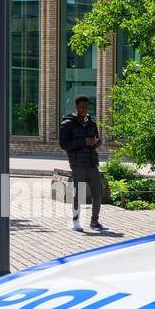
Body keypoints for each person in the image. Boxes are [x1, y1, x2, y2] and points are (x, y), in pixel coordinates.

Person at [58, 95, 106, 232]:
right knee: (77, 194)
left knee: (98, 193)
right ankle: (76, 222)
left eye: (86, 107)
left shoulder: (91, 123)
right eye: (82, 107)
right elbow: (63, 144)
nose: (84, 110)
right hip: (78, 164)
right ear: (76, 107)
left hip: (92, 163)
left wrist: (96, 142)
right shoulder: (67, 124)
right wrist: (84, 142)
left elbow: (98, 139)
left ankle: (94, 222)